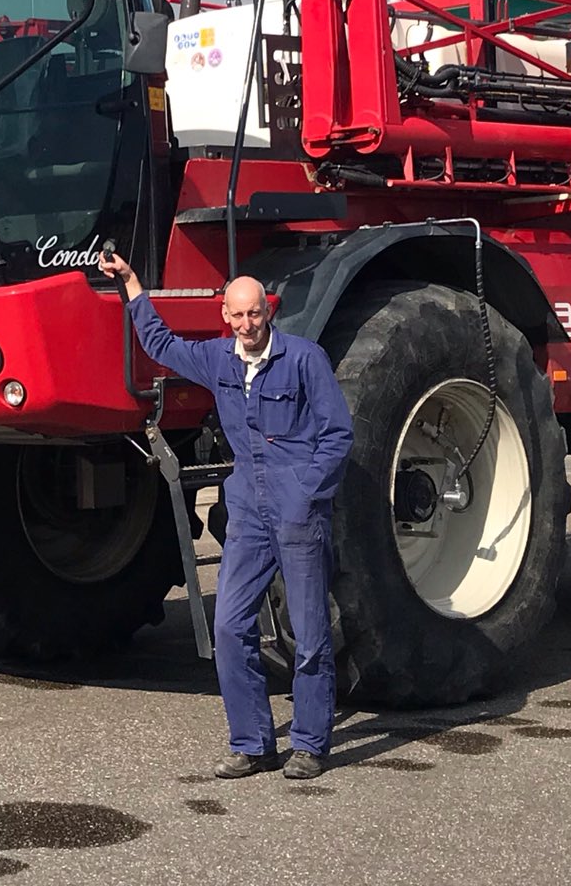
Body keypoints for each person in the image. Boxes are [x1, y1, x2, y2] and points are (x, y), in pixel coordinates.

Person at [97, 249, 355, 781]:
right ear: (225, 316)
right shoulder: (218, 359)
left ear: (269, 312)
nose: (246, 323)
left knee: (307, 631)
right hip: (246, 507)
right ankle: (253, 744)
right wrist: (131, 285)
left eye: (254, 313)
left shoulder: (305, 359)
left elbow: (337, 435)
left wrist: (307, 492)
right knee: (231, 624)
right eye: (236, 315)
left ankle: (309, 743)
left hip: (297, 508)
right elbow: (162, 345)